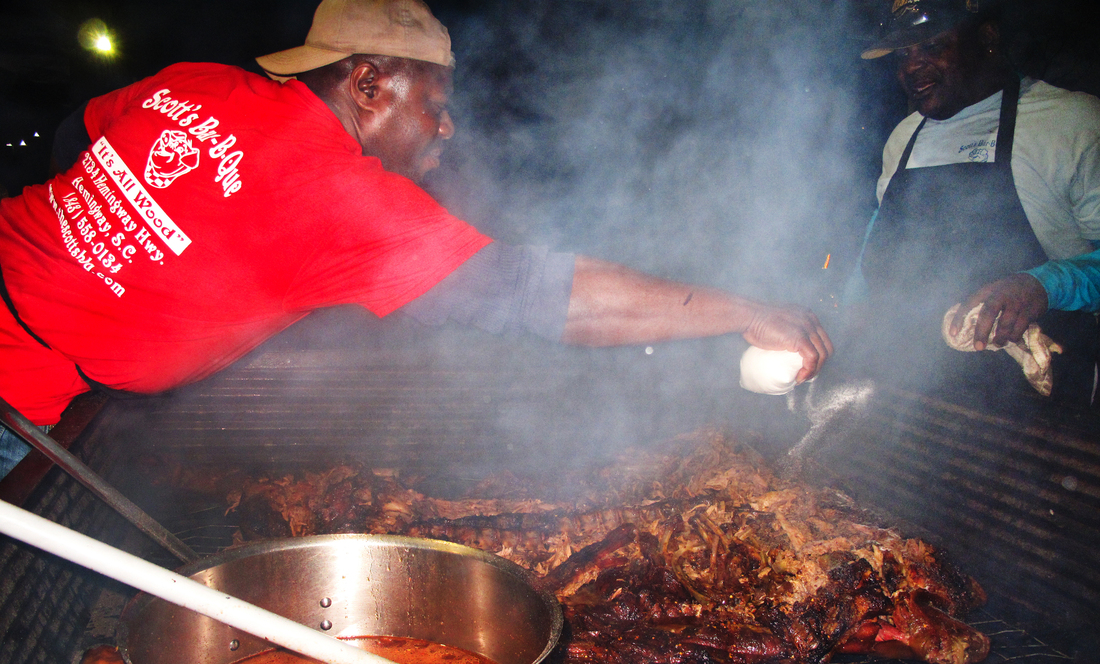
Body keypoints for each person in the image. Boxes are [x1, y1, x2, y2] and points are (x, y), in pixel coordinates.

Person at [0, 0, 832, 479]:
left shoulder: (202, 84)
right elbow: (546, 299)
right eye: (436, 99)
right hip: (16, 403)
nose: (448, 124)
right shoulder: (340, 195)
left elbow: (80, 130)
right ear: (369, 82)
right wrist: (743, 309)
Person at [840, 0, 1100, 409]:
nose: (911, 66)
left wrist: (1044, 284)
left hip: (1038, 404)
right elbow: (876, 235)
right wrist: (854, 307)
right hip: (913, 396)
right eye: (904, 53)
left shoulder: (1072, 124)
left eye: (931, 45)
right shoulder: (903, 138)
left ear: (988, 36)